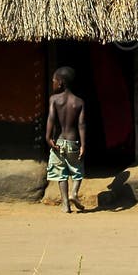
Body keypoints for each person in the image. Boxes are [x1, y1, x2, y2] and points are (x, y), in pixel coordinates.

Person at [45, 66, 87, 213]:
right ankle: (74, 192)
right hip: (73, 141)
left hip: (58, 141)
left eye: (53, 81)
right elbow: (81, 125)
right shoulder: (79, 102)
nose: (52, 83)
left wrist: (48, 137)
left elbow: (51, 118)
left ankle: (65, 205)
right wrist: (83, 145)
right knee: (77, 170)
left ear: (60, 83)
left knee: (60, 173)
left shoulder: (54, 99)